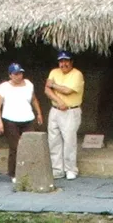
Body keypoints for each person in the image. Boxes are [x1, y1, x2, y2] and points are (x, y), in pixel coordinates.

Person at [0, 63, 43, 180]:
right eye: (16, 74)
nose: (18, 76)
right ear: (10, 75)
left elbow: (34, 99)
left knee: (30, 145)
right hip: (10, 120)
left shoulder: (29, 84)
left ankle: (29, 171)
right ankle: (13, 173)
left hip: (28, 119)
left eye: (20, 73)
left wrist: (39, 113)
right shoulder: (3, 87)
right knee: (15, 147)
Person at [44, 51, 85, 180]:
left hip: (70, 111)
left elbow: (67, 90)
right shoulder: (54, 72)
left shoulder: (77, 74)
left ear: (71, 62)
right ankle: (57, 170)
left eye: (66, 61)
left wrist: (53, 85)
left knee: (69, 141)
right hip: (55, 109)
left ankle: (70, 169)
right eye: (61, 61)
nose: (63, 64)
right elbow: (47, 89)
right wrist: (59, 101)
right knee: (53, 140)